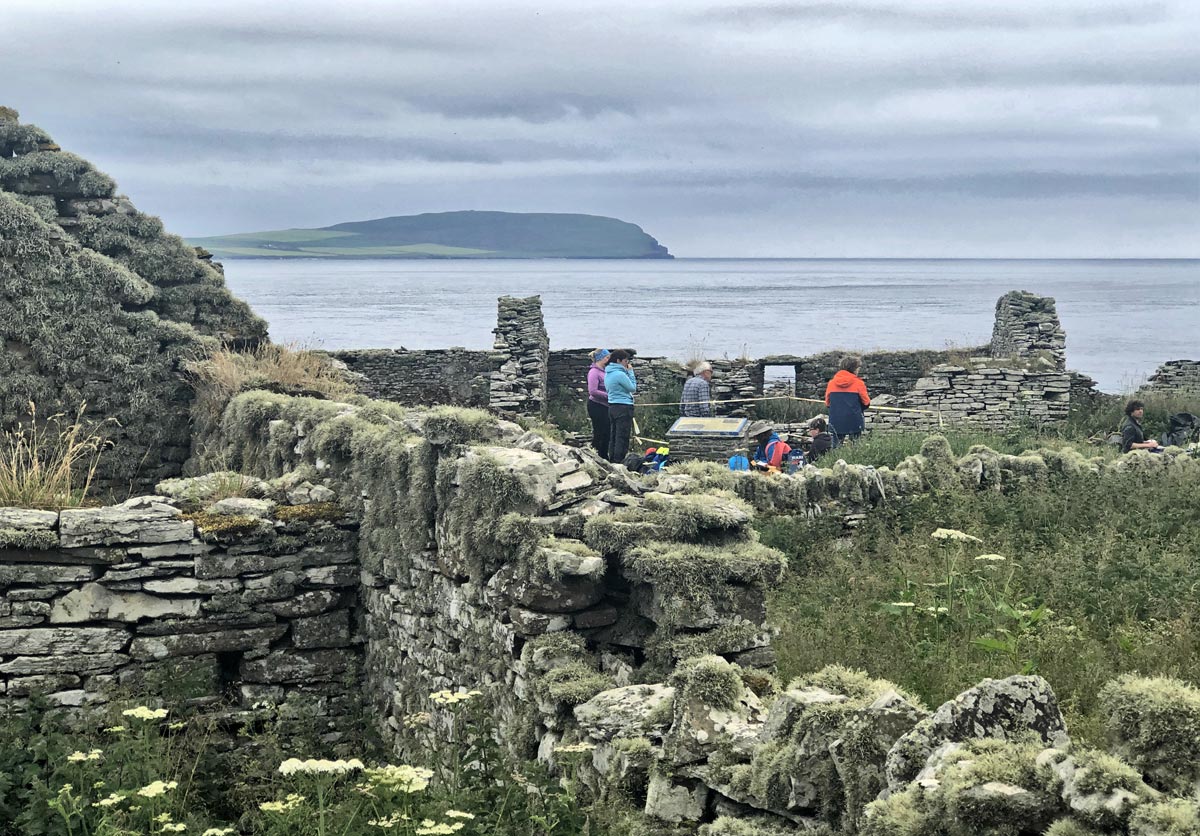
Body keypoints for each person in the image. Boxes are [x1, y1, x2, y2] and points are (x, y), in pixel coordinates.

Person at [825, 355, 871, 444]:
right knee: (855, 447)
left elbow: (827, 403)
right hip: (854, 420)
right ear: (853, 369)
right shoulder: (859, 383)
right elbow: (866, 402)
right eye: (858, 368)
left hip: (836, 420)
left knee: (836, 447)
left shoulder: (831, 383)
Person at [605, 349, 637, 464]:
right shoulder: (620, 374)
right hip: (624, 406)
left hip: (612, 405)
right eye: (625, 361)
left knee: (614, 435)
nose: (626, 363)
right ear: (618, 361)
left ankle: (612, 458)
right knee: (622, 436)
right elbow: (632, 388)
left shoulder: (608, 373)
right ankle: (619, 460)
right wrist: (631, 373)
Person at [586, 349, 611, 459]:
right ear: (601, 358)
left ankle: (604, 455)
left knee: (607, 432)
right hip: (596, 405)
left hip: (605, 406)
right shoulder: (594, 372)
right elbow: (593, 391)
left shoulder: (604, 371)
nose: (608, 360)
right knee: (600, 432)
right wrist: (609, 396)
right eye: (607, 357)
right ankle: (595, 454)